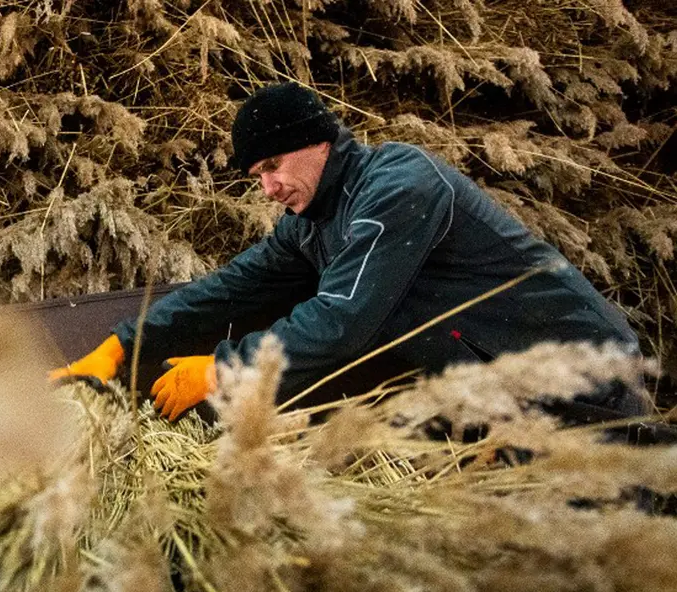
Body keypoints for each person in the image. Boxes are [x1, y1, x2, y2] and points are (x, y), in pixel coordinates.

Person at [49, 81, 646, 423]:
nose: (268, 187)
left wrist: (227, 369)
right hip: (506, 402)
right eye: (256, 174)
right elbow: (232, 288)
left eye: (273, 165)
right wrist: (123, 345)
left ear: (316, 143)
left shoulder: (400, 185)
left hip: (584, 379)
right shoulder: (311, 220)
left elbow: (342, 316)